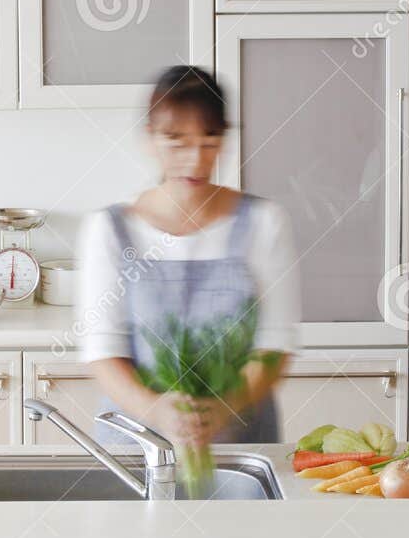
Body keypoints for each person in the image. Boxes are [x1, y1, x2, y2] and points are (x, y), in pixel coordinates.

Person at [78, 65, 300, 452]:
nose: (196, 159)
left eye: (209, 140)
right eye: (176, 141)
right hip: (137, 448)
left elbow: (274, 347)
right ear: (150, 138)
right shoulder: (110, 231)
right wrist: (158, 411)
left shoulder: (264, 224)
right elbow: (103, 352)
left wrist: (222, 409)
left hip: (239, 447)